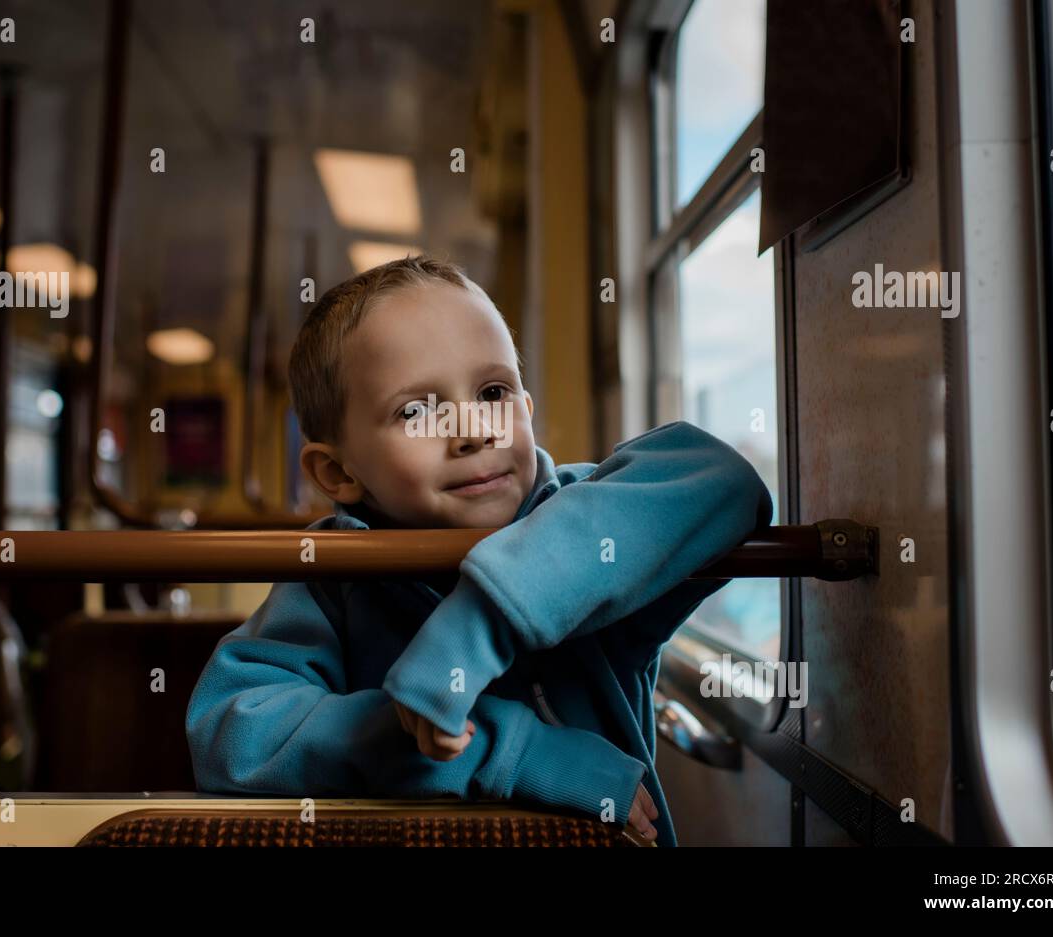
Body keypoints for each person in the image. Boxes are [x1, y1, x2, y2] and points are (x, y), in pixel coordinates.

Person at [185, 255, 773, 845]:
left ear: (526, 412)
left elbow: (722, 479)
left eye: (494, 392)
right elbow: (229, 736)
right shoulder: (332, 575)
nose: (474, 430)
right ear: (337, 472)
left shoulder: (586, 521)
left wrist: (482, 620)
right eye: (417, 411)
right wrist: (505, 752)